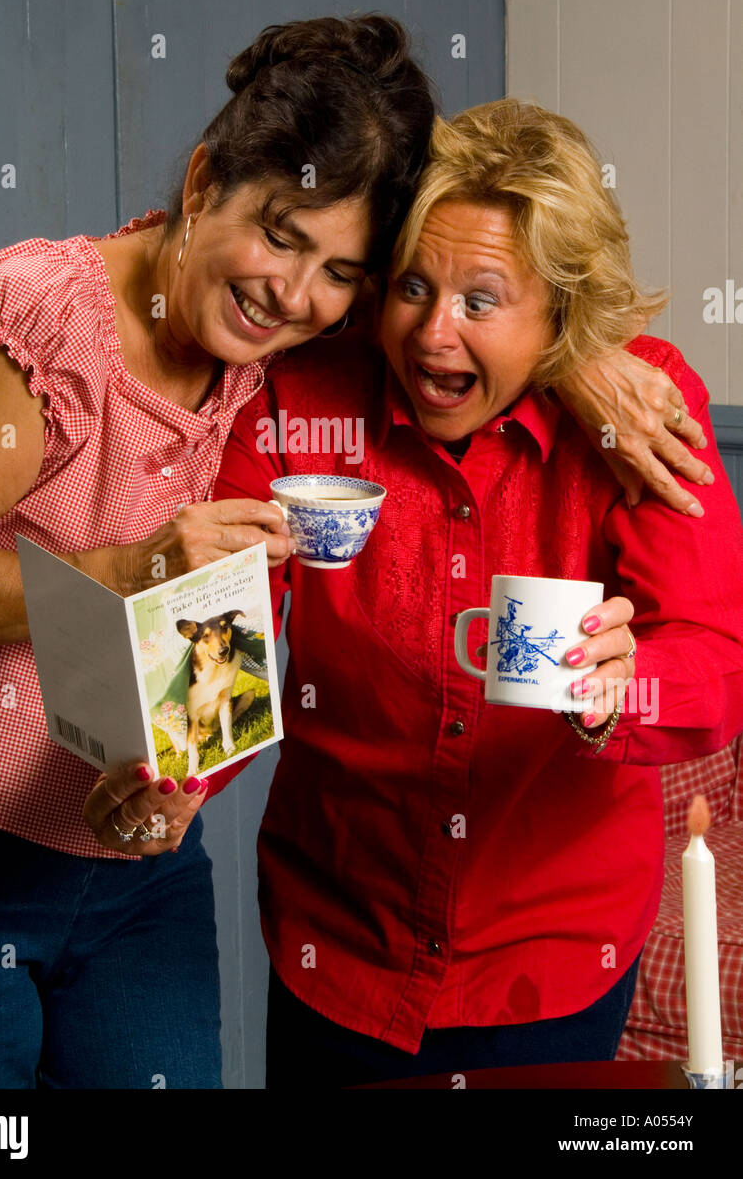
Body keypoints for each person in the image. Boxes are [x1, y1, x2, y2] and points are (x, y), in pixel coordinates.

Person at [0, 20, 707, 1089]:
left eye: (340, 273)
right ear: (201, 180)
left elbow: (470, 285)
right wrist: (132, 570)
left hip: (135, 872)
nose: (292, 291)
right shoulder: (51, 315)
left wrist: (580, 352)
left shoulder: (289, 346)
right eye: (278, 233)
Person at [212, 98, 743, 1088]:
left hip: (548, 958)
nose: (432, 333)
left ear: (560, 313)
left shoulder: (640, 409)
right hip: (338, 944)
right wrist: (172, 771)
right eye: (414, 285)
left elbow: (714, 661)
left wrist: (621, 688)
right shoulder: (306, 396)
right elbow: (224, 624)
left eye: (482, 299)